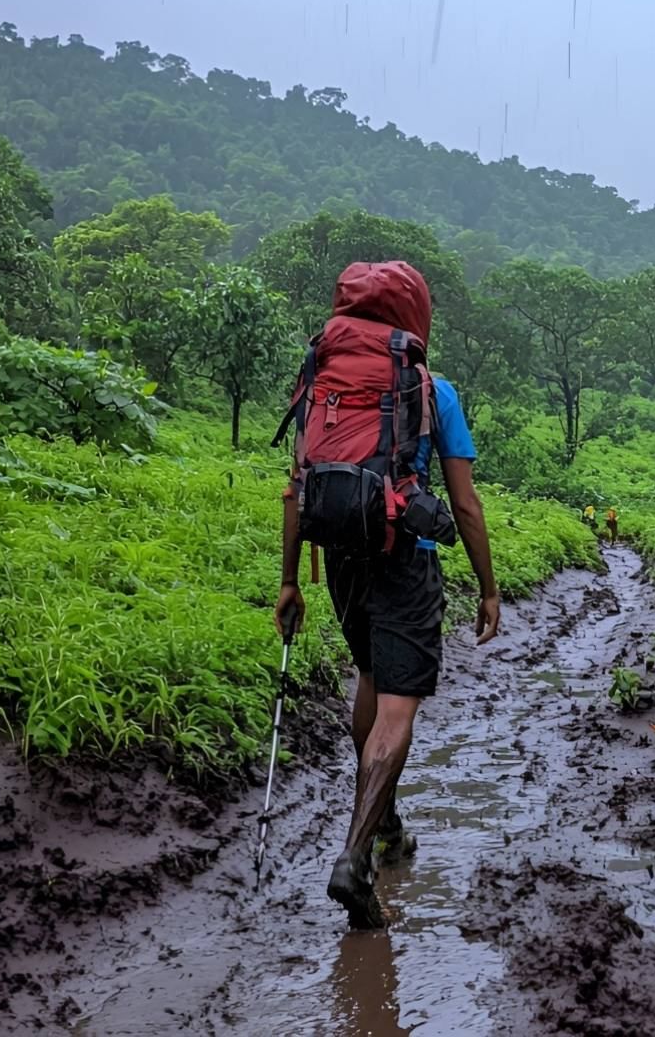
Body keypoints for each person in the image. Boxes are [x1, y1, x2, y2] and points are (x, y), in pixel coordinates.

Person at [274, 261, 501, 930]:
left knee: (369, 682)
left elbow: (297, 487)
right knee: (398, 712)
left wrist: (290, 581)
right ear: (414, 318)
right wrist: (489, 588)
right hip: (406, 559)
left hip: (337, 557)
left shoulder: (321, 385)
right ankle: (354, 861)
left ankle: (387, 820)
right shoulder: (435, 391)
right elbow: (465, 503)